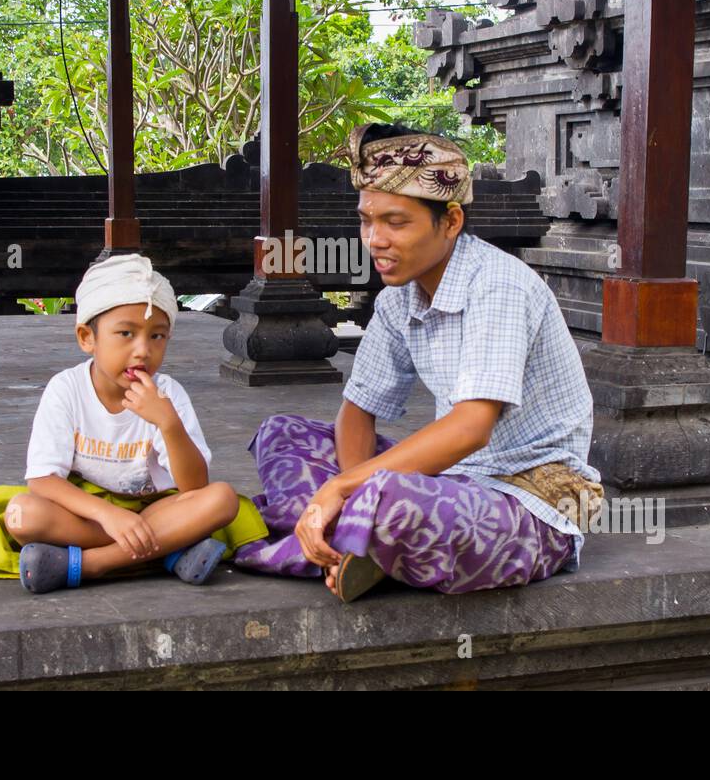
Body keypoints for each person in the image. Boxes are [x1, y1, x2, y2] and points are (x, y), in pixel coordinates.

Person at [232, 122, 604, 602]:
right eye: (367, 220)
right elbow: (357, 410)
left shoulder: (498, 286)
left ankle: (323, 537)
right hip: (450, 482)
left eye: (396, 222)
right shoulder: (398, 298)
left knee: (390, 501)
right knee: (283, 433)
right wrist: (349, 491)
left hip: (532, 506)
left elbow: (471, 428)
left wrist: (346, 488)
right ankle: (355, 539)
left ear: (450, 221)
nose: (374, 239)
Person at [0, 254, 268, 593]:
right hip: (87, 513)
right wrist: (109, 516)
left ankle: (91, 565)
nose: (142, 351)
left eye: (157, 336)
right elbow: (43, 480)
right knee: (23, 514)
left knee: (221, 499)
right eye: (126, 333)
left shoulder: (167, 394)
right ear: (86, 338)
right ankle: (168, 552)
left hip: (156, 508)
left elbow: (194, 487)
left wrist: (168, 423)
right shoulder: (66, 388)